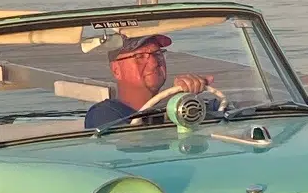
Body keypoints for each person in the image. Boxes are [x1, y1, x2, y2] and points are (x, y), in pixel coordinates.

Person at [84, 34, 212, 129]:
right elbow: (133, 144)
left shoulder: (183, 107)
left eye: (157, 54)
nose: (154, 63)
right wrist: (174, 103)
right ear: (116, 70)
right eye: (139, 57)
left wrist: (187, 101)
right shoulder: (103, 114)